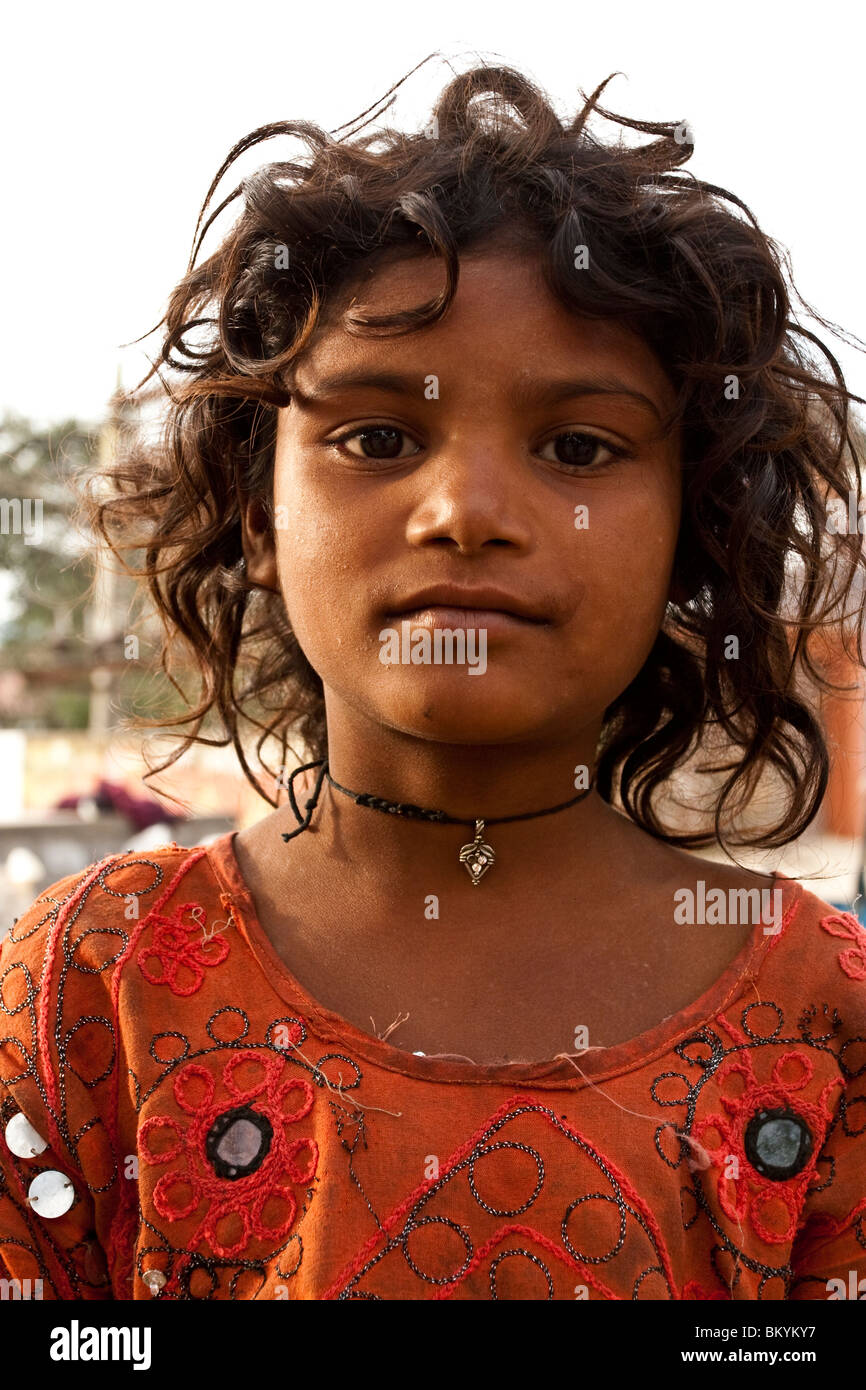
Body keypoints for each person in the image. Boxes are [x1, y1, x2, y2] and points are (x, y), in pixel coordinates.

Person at [1, 61, 865, 1303]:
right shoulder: (90, 985)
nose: (463, 511)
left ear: (688, 528)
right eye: (375, 438)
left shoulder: (822, 1019)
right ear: (259, 513)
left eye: (577, 446)